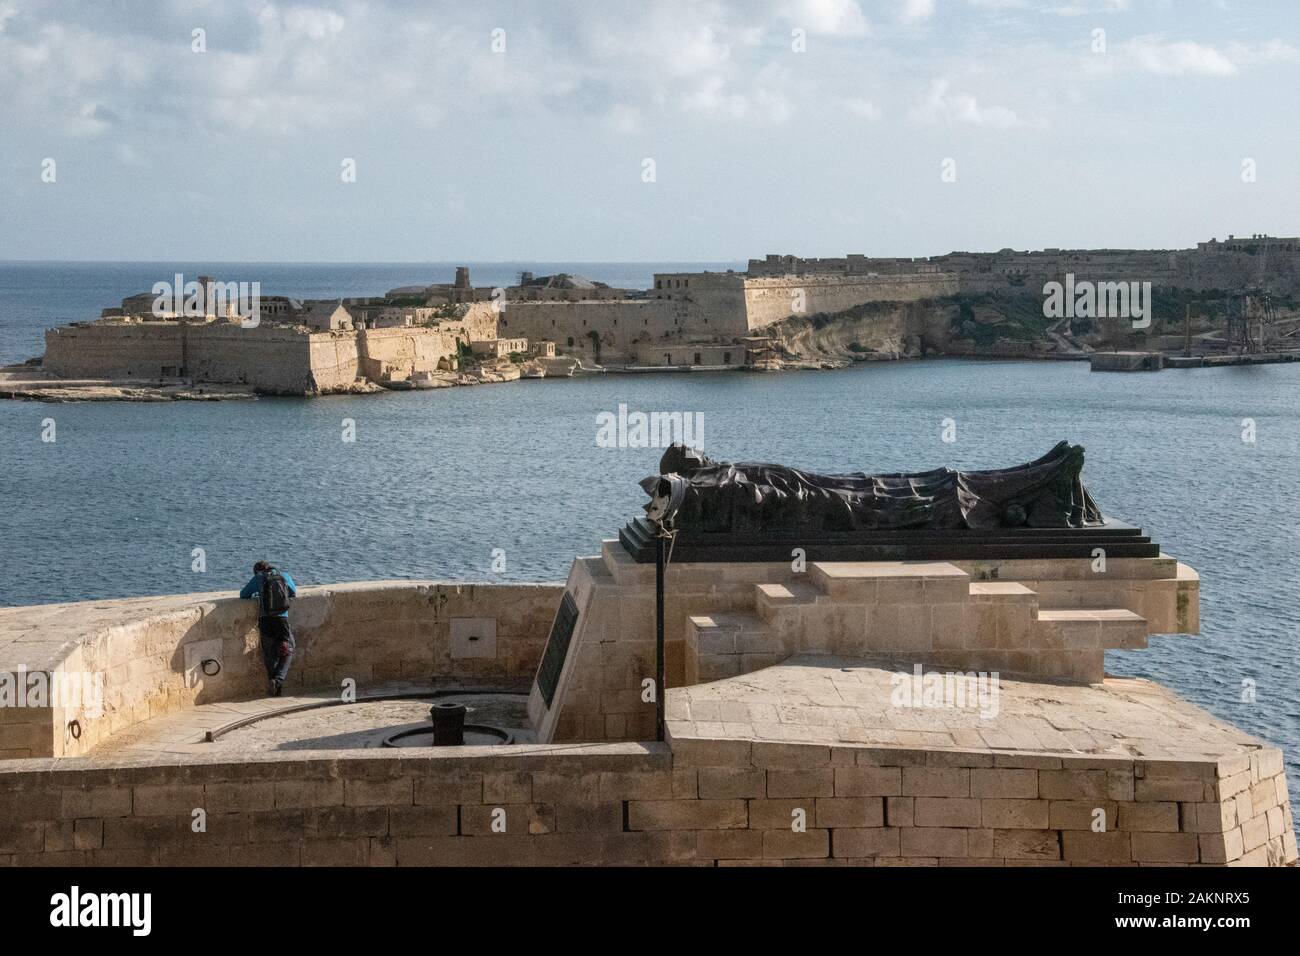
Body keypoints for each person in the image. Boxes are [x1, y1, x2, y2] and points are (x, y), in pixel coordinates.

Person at [239, 560, 298, 696]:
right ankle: (278, 680)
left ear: (257, 571)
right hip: (281, 619)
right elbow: (293, 592)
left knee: (270, 653)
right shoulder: (284, 576)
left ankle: (274, 686)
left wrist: (257, 594)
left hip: (265, 620)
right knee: (289, 650)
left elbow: (243, 594)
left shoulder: (258, 578)